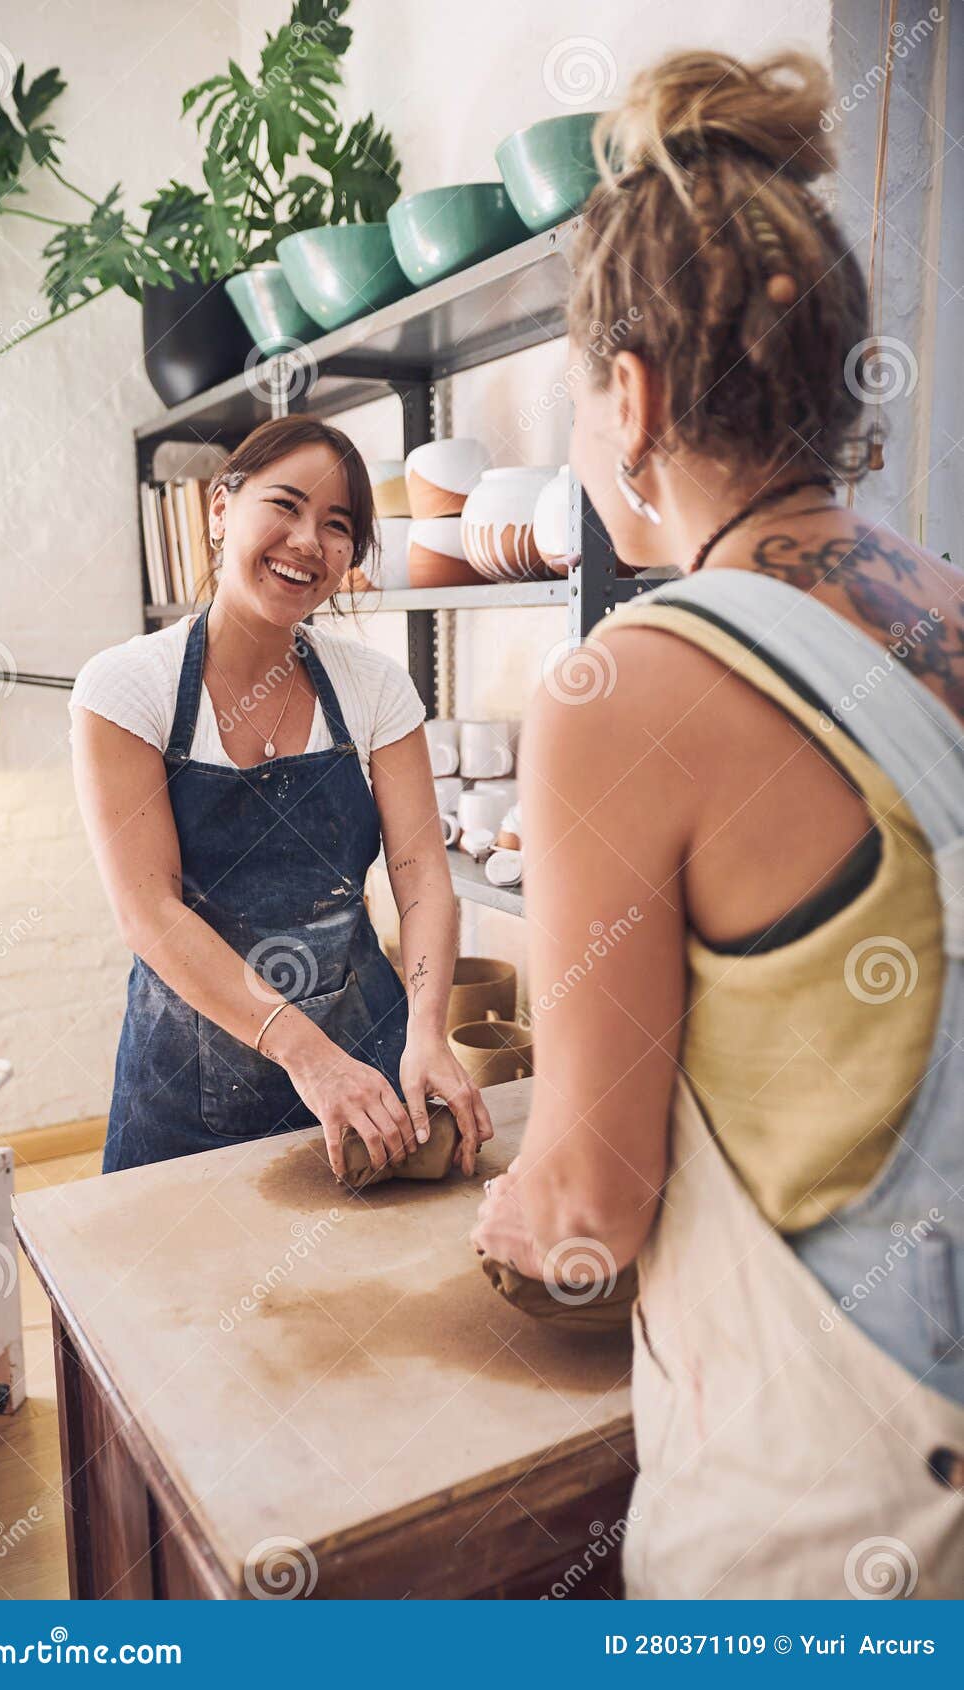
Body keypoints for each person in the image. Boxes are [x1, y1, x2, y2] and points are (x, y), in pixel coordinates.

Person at [470, 48, 964, 1598]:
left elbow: (588, 1217)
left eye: (573, 395)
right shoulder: (950, 610)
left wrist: (511, 1204)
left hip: (821, 1527)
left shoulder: (622, 684)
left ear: (633, 394)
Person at [71, 414, 492, 1176]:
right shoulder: (127, 688)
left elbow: (422, 872)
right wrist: (308, 1058)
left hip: (372, 1055)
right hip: (187, 1081)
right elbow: (149, 911)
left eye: (337, 525)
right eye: (285, 505)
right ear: (221, 509)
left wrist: (427, 1030)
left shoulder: (374, 688)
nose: (308, 541)